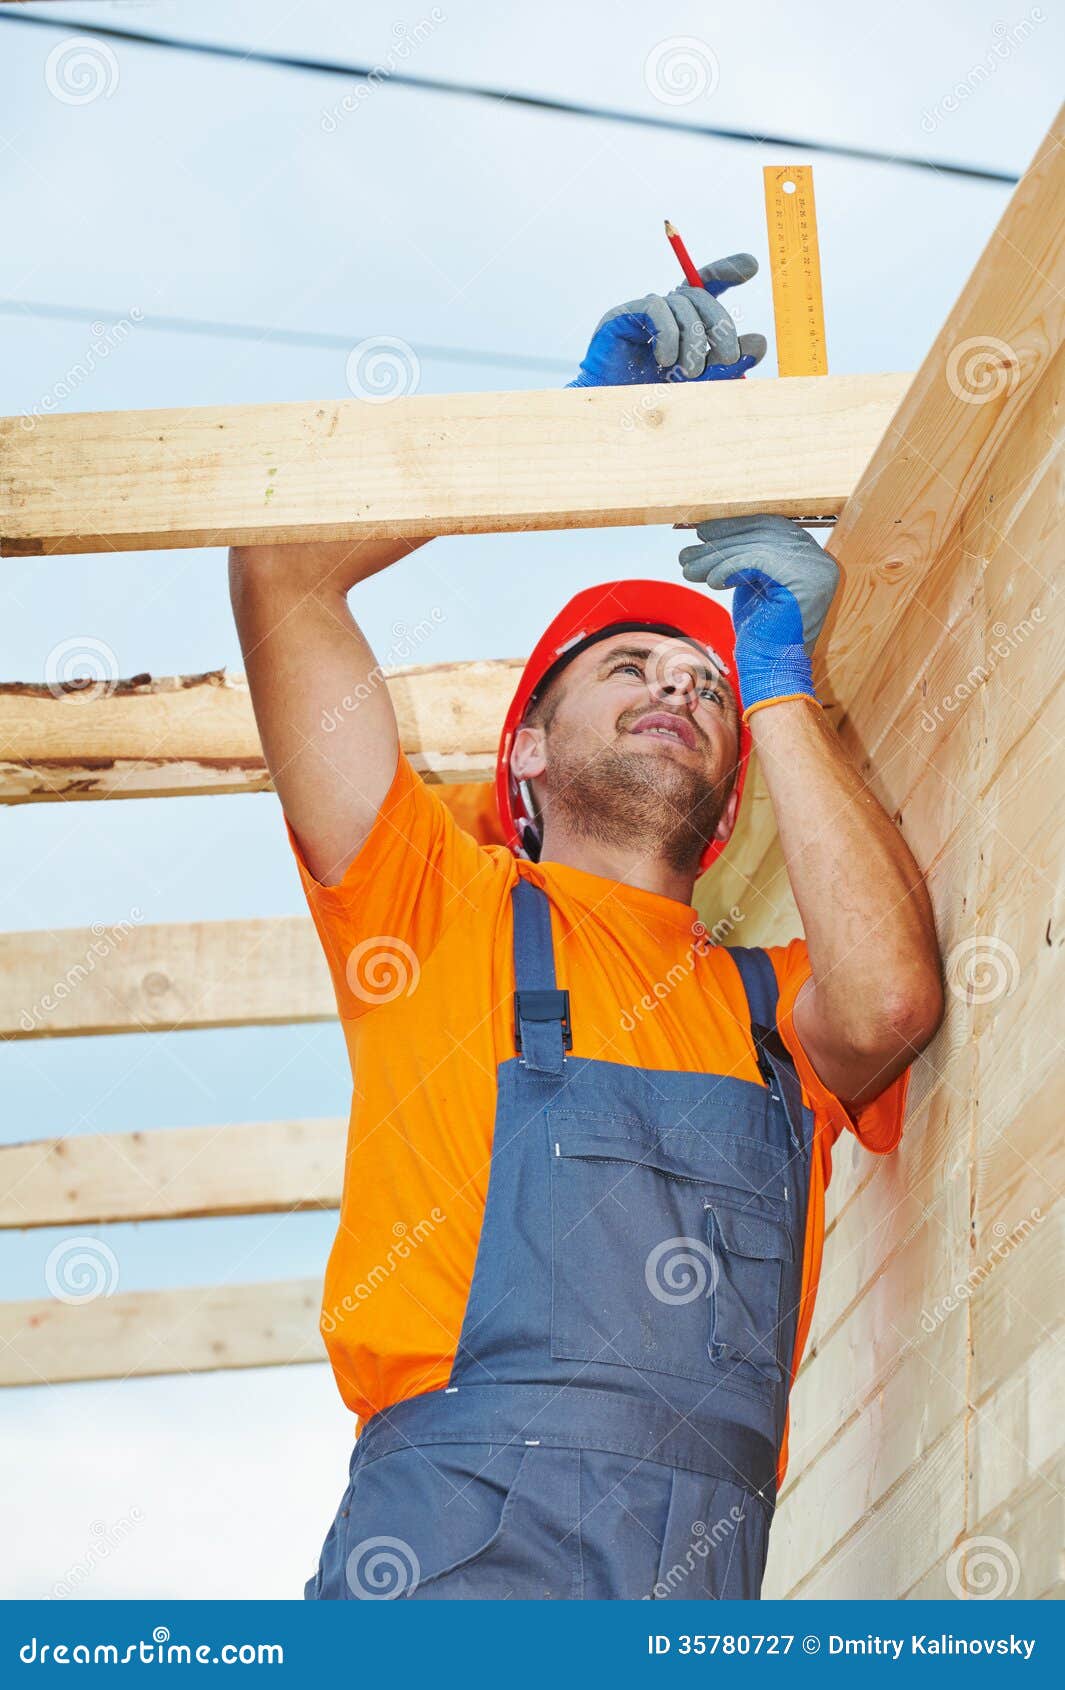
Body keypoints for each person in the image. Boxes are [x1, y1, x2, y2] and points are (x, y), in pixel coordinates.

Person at [228, 253, 943, 1601]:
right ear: (529, 759)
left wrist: (779, 675)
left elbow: (893, 1006)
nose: (677, 684)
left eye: (703, 686)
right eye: (626, 668)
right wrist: (558, 434)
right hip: (455, 1540)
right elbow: (281, 571)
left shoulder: (769, 1006)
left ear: (730, 806)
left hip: (704, 1567)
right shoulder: (425, 899)